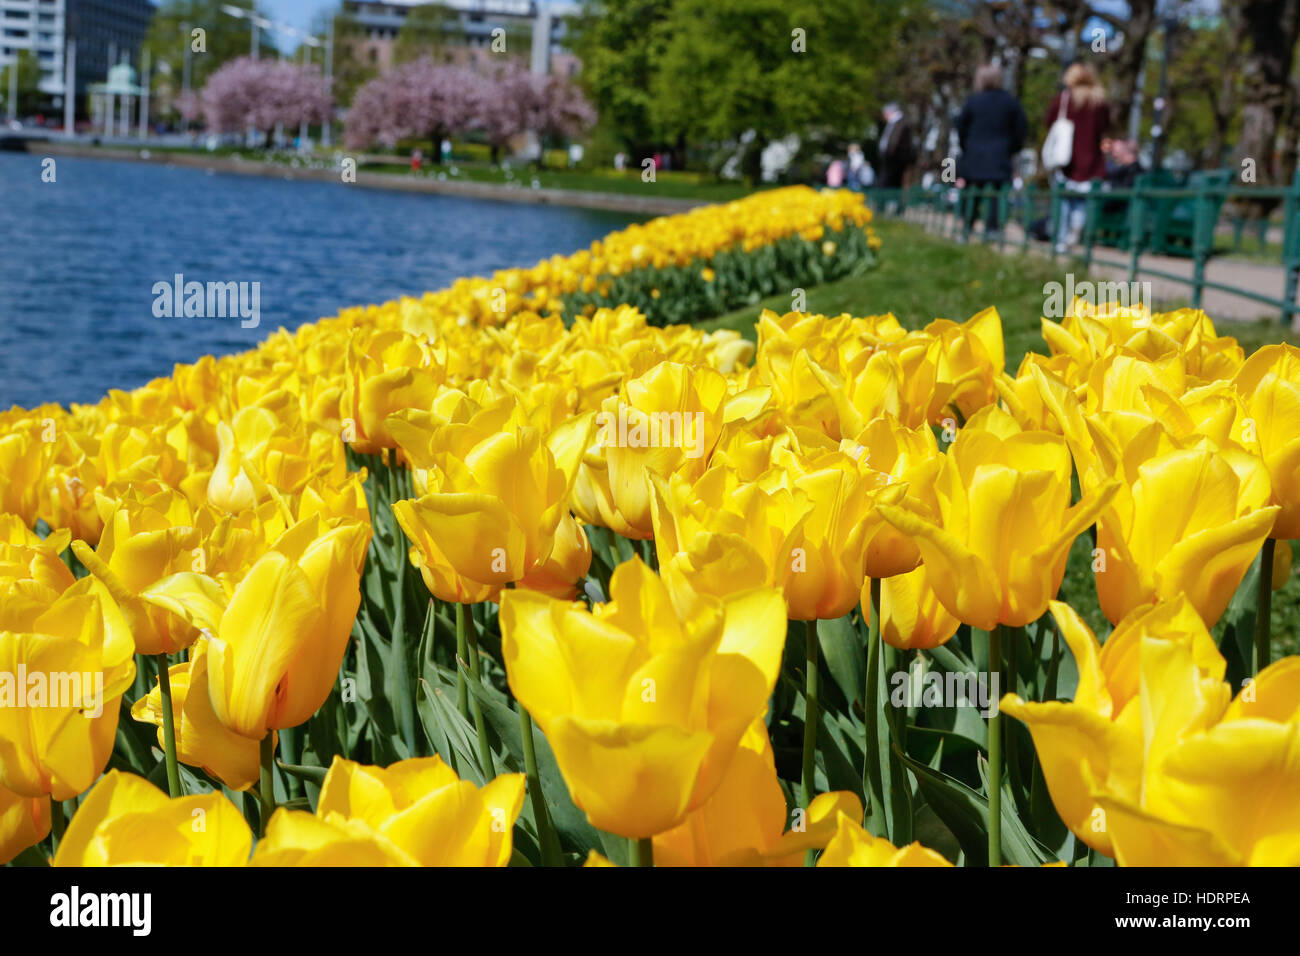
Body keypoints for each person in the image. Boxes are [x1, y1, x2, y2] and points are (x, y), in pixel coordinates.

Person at [1045, 62, 1111, 253]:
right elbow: (1106, 126)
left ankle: (1061, 239)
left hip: (1067, 158)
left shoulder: (1064, 99)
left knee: (1064, 198)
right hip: (1091, 158)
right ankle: (1076, 230)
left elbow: (1049, 121)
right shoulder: (1099, 101)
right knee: (1081, 201)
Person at [955, 63, 1027, 235]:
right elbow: (1021, 129)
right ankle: (993, 228)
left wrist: (967, 147)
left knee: (973, 191)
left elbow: (960, 128)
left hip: (975, 155)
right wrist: (1011, 149)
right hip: (1000, 155)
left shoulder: (972, 101)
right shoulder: (1010, 101)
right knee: (997, 193)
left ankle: (967, 225)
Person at [878, 104, 916, 189]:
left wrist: (889, 154)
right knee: (887, 182)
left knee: (890, 183)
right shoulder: (894, 123)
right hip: (891, 158)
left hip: (895, 159)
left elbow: (894, 141)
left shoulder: (900, 123)